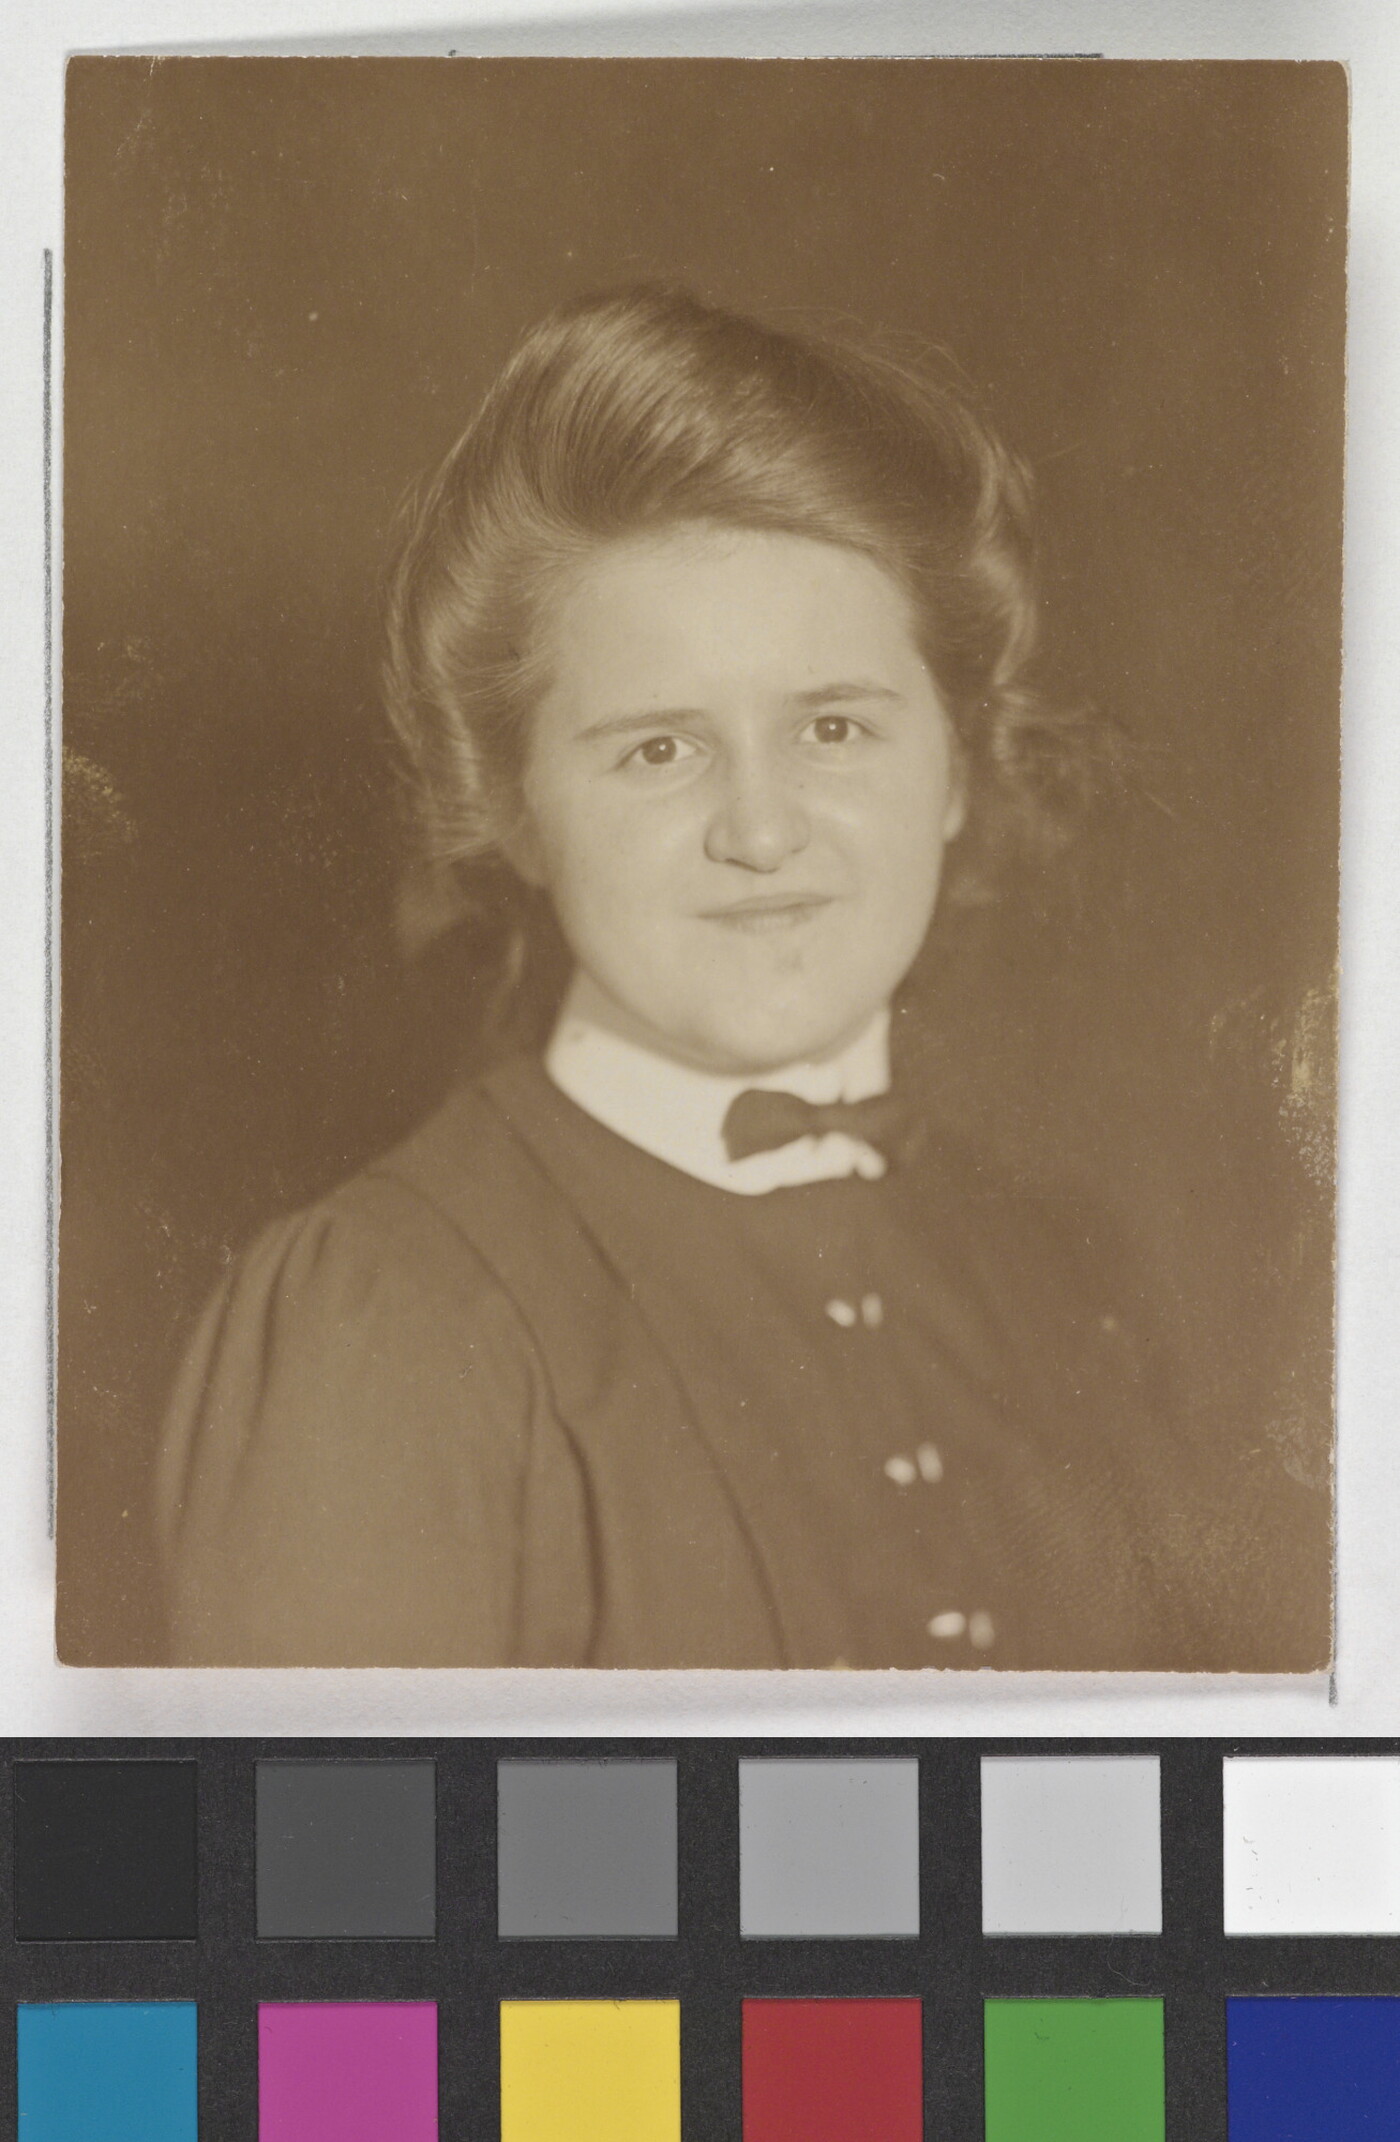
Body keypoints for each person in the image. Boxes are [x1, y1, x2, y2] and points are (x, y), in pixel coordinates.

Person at [156, 284, 1267, 1669]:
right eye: (659, 750)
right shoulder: (384, 1317)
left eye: (837, 727)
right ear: (510, 807)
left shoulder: (1056, 1262)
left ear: (959, 768)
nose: (760, 828)